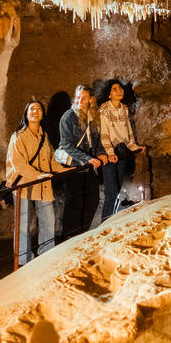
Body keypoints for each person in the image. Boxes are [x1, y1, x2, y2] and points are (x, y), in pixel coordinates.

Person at [5, 100, 68, 265]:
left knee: (48, 219)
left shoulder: (44, 136)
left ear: (42, 114)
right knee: (23, 223)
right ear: (26, 114)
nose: (35, 111)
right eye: (32, 109)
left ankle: (46, 254)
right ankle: (23, 259)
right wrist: (36, 175)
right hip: (23, 184)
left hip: (43, 183)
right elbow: (18, 163)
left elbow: (50, 160)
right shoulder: (17, 136)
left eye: (39, 109)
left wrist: (62, 170)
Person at [54, 84, 112, 238]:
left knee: (92, 202)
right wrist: (88, 158)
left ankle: (82, 235)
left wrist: (101, 153)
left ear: (91, 100)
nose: (80, 100)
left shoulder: (94, 117)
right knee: (75, 204)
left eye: (84, 98)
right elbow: (66, 145)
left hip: (89, 167)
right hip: (74, 167)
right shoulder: (68, 117)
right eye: (78, 97)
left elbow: (97, 140)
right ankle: (69, 238)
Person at [97, 79, 145, 220]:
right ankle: (105, 222)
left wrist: (134, 146)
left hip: (122, 152)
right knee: (111, 191)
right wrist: (110, 153)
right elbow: (104, 134)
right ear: (109, 94)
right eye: (115, 89)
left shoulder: (124, 108)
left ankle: (114, 220)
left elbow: (128, 131)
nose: (119, 91)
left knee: (118, 189)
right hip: (110, 153)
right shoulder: (104, 109)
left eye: (120, 88)